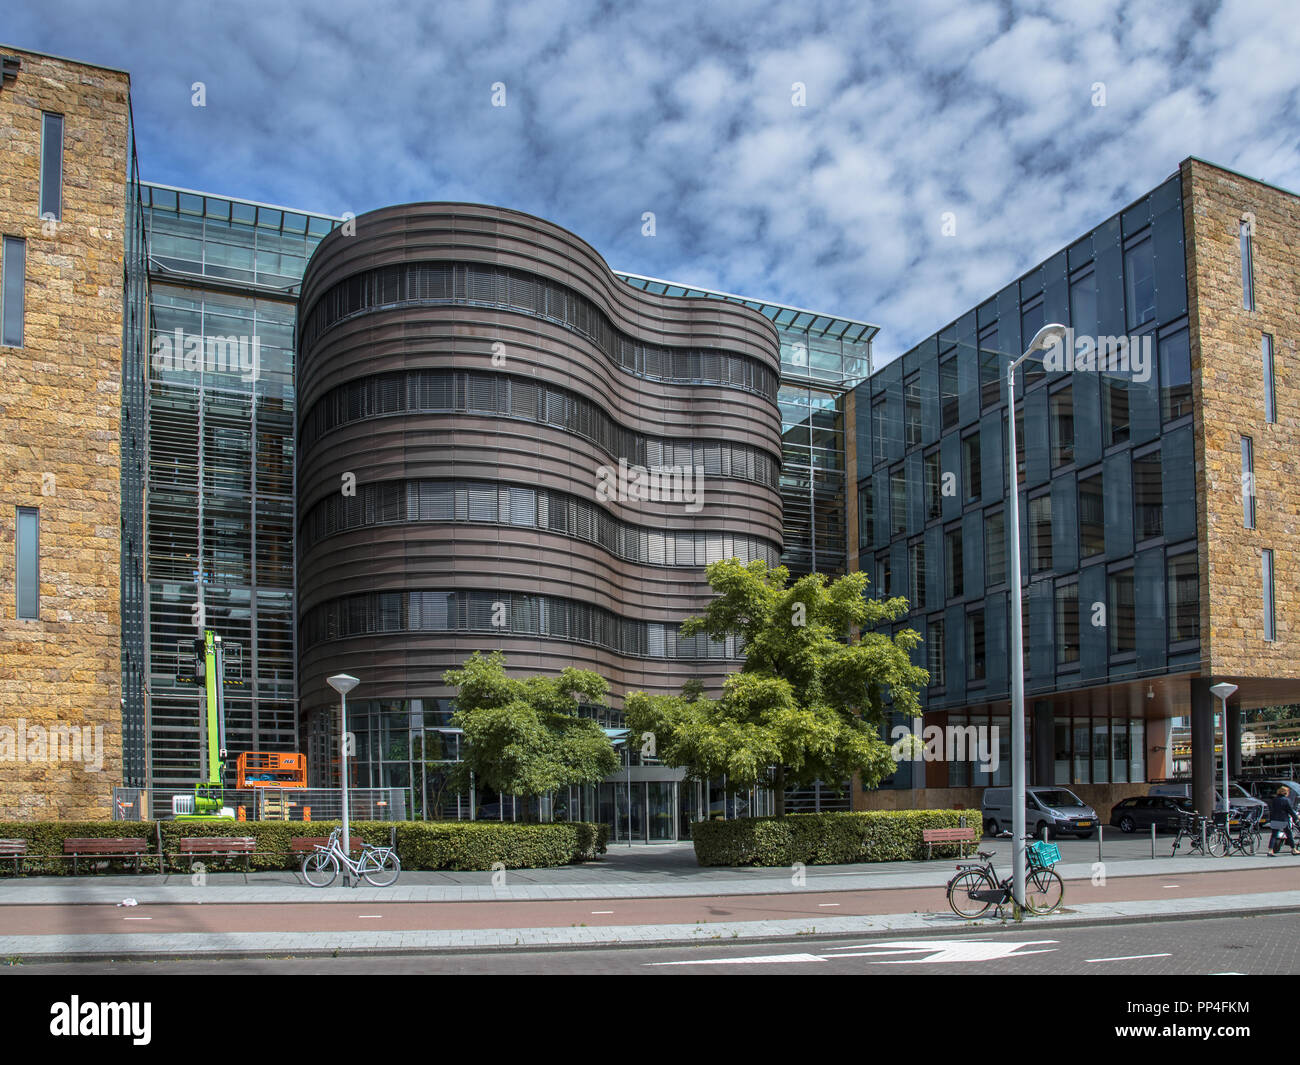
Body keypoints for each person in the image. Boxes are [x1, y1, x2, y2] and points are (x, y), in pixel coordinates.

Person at [1267, 785, 1298, 856]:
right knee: (1289, 835)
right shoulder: (1286, 800)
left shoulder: (1274, 799)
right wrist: (1296, 818)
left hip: (1274, 819)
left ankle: (1270, 850)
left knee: (1274, 835)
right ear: (1286, 792)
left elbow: (1272, 810)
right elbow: (1290, 810)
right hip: (1283, 819)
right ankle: (1293, 849)